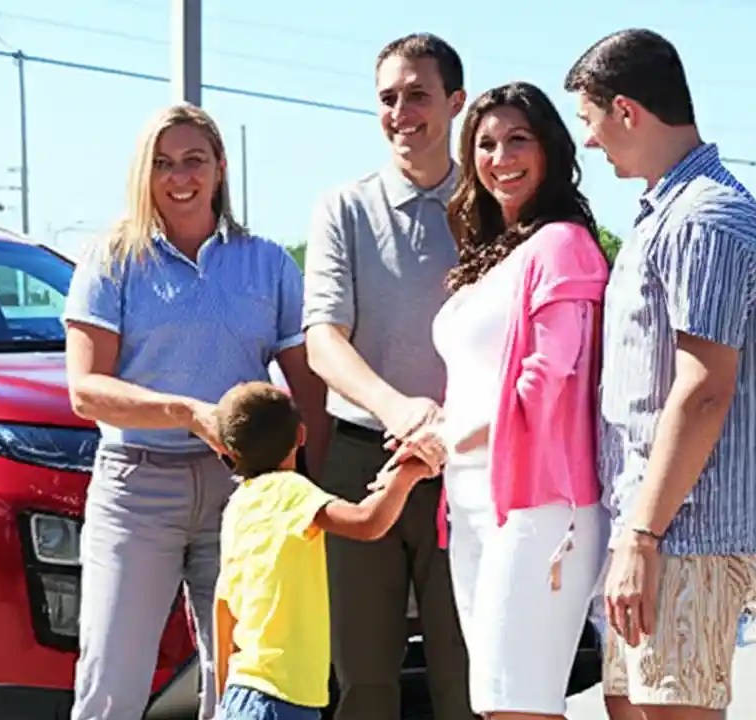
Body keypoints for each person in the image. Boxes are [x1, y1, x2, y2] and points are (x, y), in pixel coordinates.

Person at [63, 102, 329, 720]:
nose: (179, 178)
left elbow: (307, 390)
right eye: (162, 163)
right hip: (135, 488)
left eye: (193, 161)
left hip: (243, 494)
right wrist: (188, 412)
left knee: (242, 675)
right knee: (111, 678)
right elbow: (86, 390)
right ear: (143, 172)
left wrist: (305, 485)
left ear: (220, 168)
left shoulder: (267, 262)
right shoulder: (111, 261)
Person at [392, 81, 610, 718]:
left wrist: (445, 437)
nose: (500, 156)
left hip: (541, 506)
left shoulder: (563, 245)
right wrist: (442, 435)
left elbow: (545, 380)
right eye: (485, 143)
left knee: (521, 704)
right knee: (494, 702)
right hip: (469, 502)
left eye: (519, 139)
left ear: (550, 149)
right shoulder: (488, 257)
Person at [564, 28, 756, 720]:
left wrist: (643, 538)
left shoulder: (704, 218)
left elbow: (704, 389)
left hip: (687, 533)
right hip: (652, 529)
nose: (588, 142)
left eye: (588, 121)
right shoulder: (664, 214)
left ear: (626, 111)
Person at [301, 31, 474, 719]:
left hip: (467, 468)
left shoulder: (494, 208)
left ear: (456, 102)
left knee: (465, 678)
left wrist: (446, 429)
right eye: (388, 98)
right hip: (362, 462)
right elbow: (322, 340)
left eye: (418, 95)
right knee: (363, 680)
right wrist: (399, 409)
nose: (401, 112)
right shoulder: (343, 208)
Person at [212, 381, 437, 720]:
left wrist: (222, 698)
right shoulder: (291, 491)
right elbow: (367, 521)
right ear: (301, 435)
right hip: (283, 698)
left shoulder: (238, 507)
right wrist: (408, 473)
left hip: (241, 693)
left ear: (227, 450)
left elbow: (223, 608)